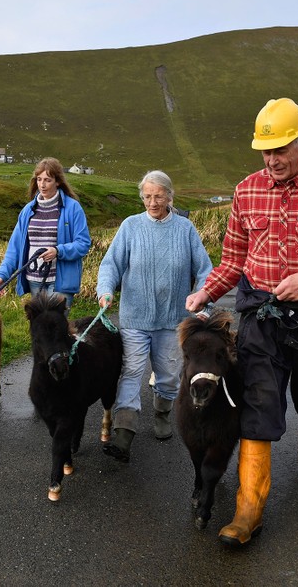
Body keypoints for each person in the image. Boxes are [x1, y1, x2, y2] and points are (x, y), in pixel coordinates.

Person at [185, 98, 298, 546]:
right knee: (257, 403)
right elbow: (233, 260)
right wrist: (207, 291)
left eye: (281, 149)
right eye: (265, 152)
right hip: (261, 317)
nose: (272, 160)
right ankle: (248, 509)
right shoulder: (246, 190)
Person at [97, 170, 212, 462]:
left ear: (170, 197)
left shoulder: (185, 229)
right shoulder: (130, 226)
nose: (152, 202)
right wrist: (105, 290)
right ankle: (124, 432)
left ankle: (162, 413)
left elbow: (205, 270)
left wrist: (203, 302)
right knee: (131, 371)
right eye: (147, 196)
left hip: (173, 320)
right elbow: (111, 264)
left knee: (170, 375)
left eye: (158, 196)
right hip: (135, 318)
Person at [0, 157, 91, 314]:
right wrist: (2, 275)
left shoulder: (73, 208)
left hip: (61, 282)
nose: (42, 185)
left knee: (55, 325)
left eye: (47, 180)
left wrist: (58, 251)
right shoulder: (27, 211)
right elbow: (14, 248)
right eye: (39, 179)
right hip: (34, 280)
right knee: (39, 325)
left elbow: (83, 243)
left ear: (57, 182)